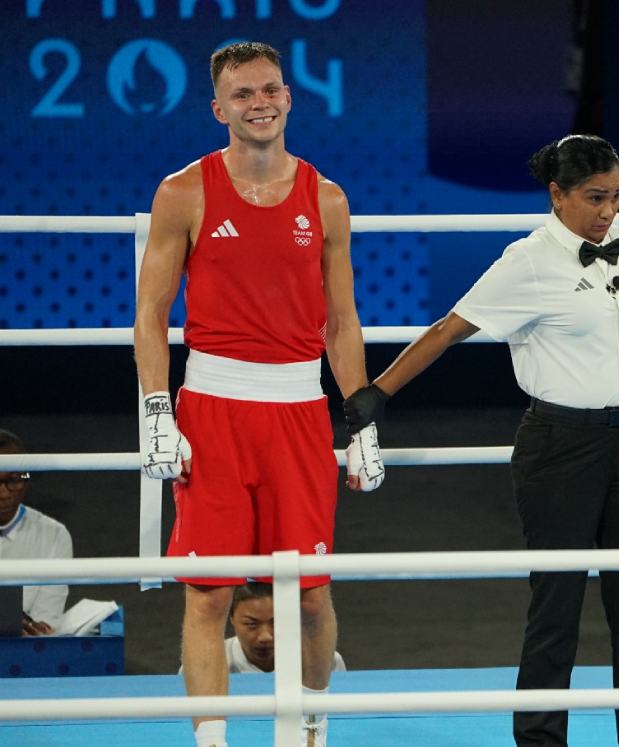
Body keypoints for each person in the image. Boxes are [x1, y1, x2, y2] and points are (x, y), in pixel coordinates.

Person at [341, 134, 619, 747]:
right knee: (556, 609)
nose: (608, 211)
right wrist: (375, 395)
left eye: (617, 197)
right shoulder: (527, 261)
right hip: (560, 448)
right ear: (557, 195)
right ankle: (542, 741)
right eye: (595, 197)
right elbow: (447, 330)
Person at [133, 41, 383, 747]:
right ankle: (210, 743)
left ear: (289, 96)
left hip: (299, 411)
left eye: (269, 89)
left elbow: (341, 321)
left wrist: (360, 418)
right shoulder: (184, 190)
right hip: (212, 408)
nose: (260, 103)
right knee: (208, 592)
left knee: (309, 590)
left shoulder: (325, 198)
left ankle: (309, 729)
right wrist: (157, 409)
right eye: (242, 95)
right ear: (219, 110)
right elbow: (150, 313)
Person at [0, 429, 73, 636]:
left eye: (13, 480)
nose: (4, 493)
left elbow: (44, 625)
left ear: (27, 480)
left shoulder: (54, 535)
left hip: (25, 655)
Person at [225, 584, 348, 675]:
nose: (265, 636)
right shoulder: (216, 659)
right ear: (231, 618)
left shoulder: (323, 660)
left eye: (276, 622)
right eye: (251, 624)